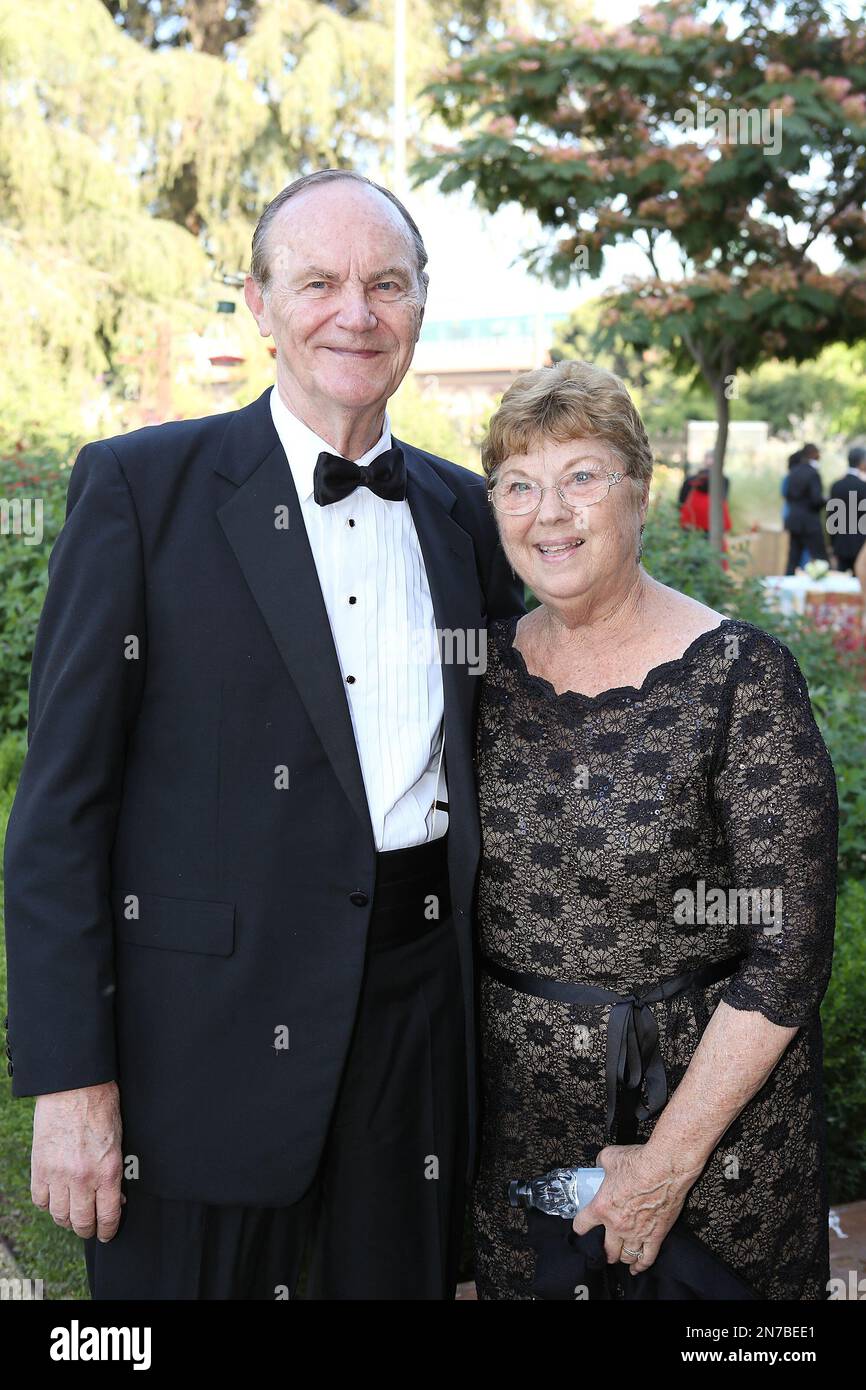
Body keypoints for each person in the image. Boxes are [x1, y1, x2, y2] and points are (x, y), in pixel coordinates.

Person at [2, 169, 523, 1300]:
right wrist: (70, 1081)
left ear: (420, 306)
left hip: (412, 1038)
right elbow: (58, 816)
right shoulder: (140, 489)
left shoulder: (463, 516)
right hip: (194, 1053)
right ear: (257, 300)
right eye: (320, 282)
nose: (356, 312)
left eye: (387, 284)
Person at [471, 360, 837, 1301]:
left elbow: (788, 950)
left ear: (640, 494)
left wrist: (664, 1166)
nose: (548, 513)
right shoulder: (480, 671)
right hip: (517, 1131)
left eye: (581, 477)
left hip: (708, 1141)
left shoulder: (738, 677)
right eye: (518, 484)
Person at [786, 442, 827, 573]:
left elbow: (788, 495)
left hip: (794, 520)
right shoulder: (813, 473)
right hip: (810, 522)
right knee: (820, 558)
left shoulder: (794, 472)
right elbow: (816, 500)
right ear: (813, 454)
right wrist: (826, 500)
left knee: (793, 558)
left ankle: (788, 584)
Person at [826, 446, 866, 573]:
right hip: (860, 543)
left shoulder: (836, 486)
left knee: (841, 581)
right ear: (862, 462)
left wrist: (833, 542)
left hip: (840, 542)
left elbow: (831, 517)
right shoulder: (863, 487)